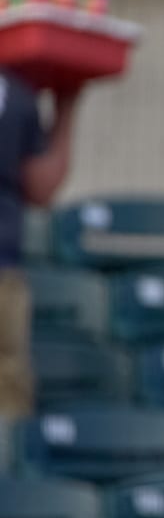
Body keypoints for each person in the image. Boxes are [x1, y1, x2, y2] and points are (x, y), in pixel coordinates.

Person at [0, 72, 80, 420]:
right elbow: (41, 187)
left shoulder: (18, 93)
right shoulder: (16, 92)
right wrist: (66, 107)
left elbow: (39, 188)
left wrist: (66, 105)